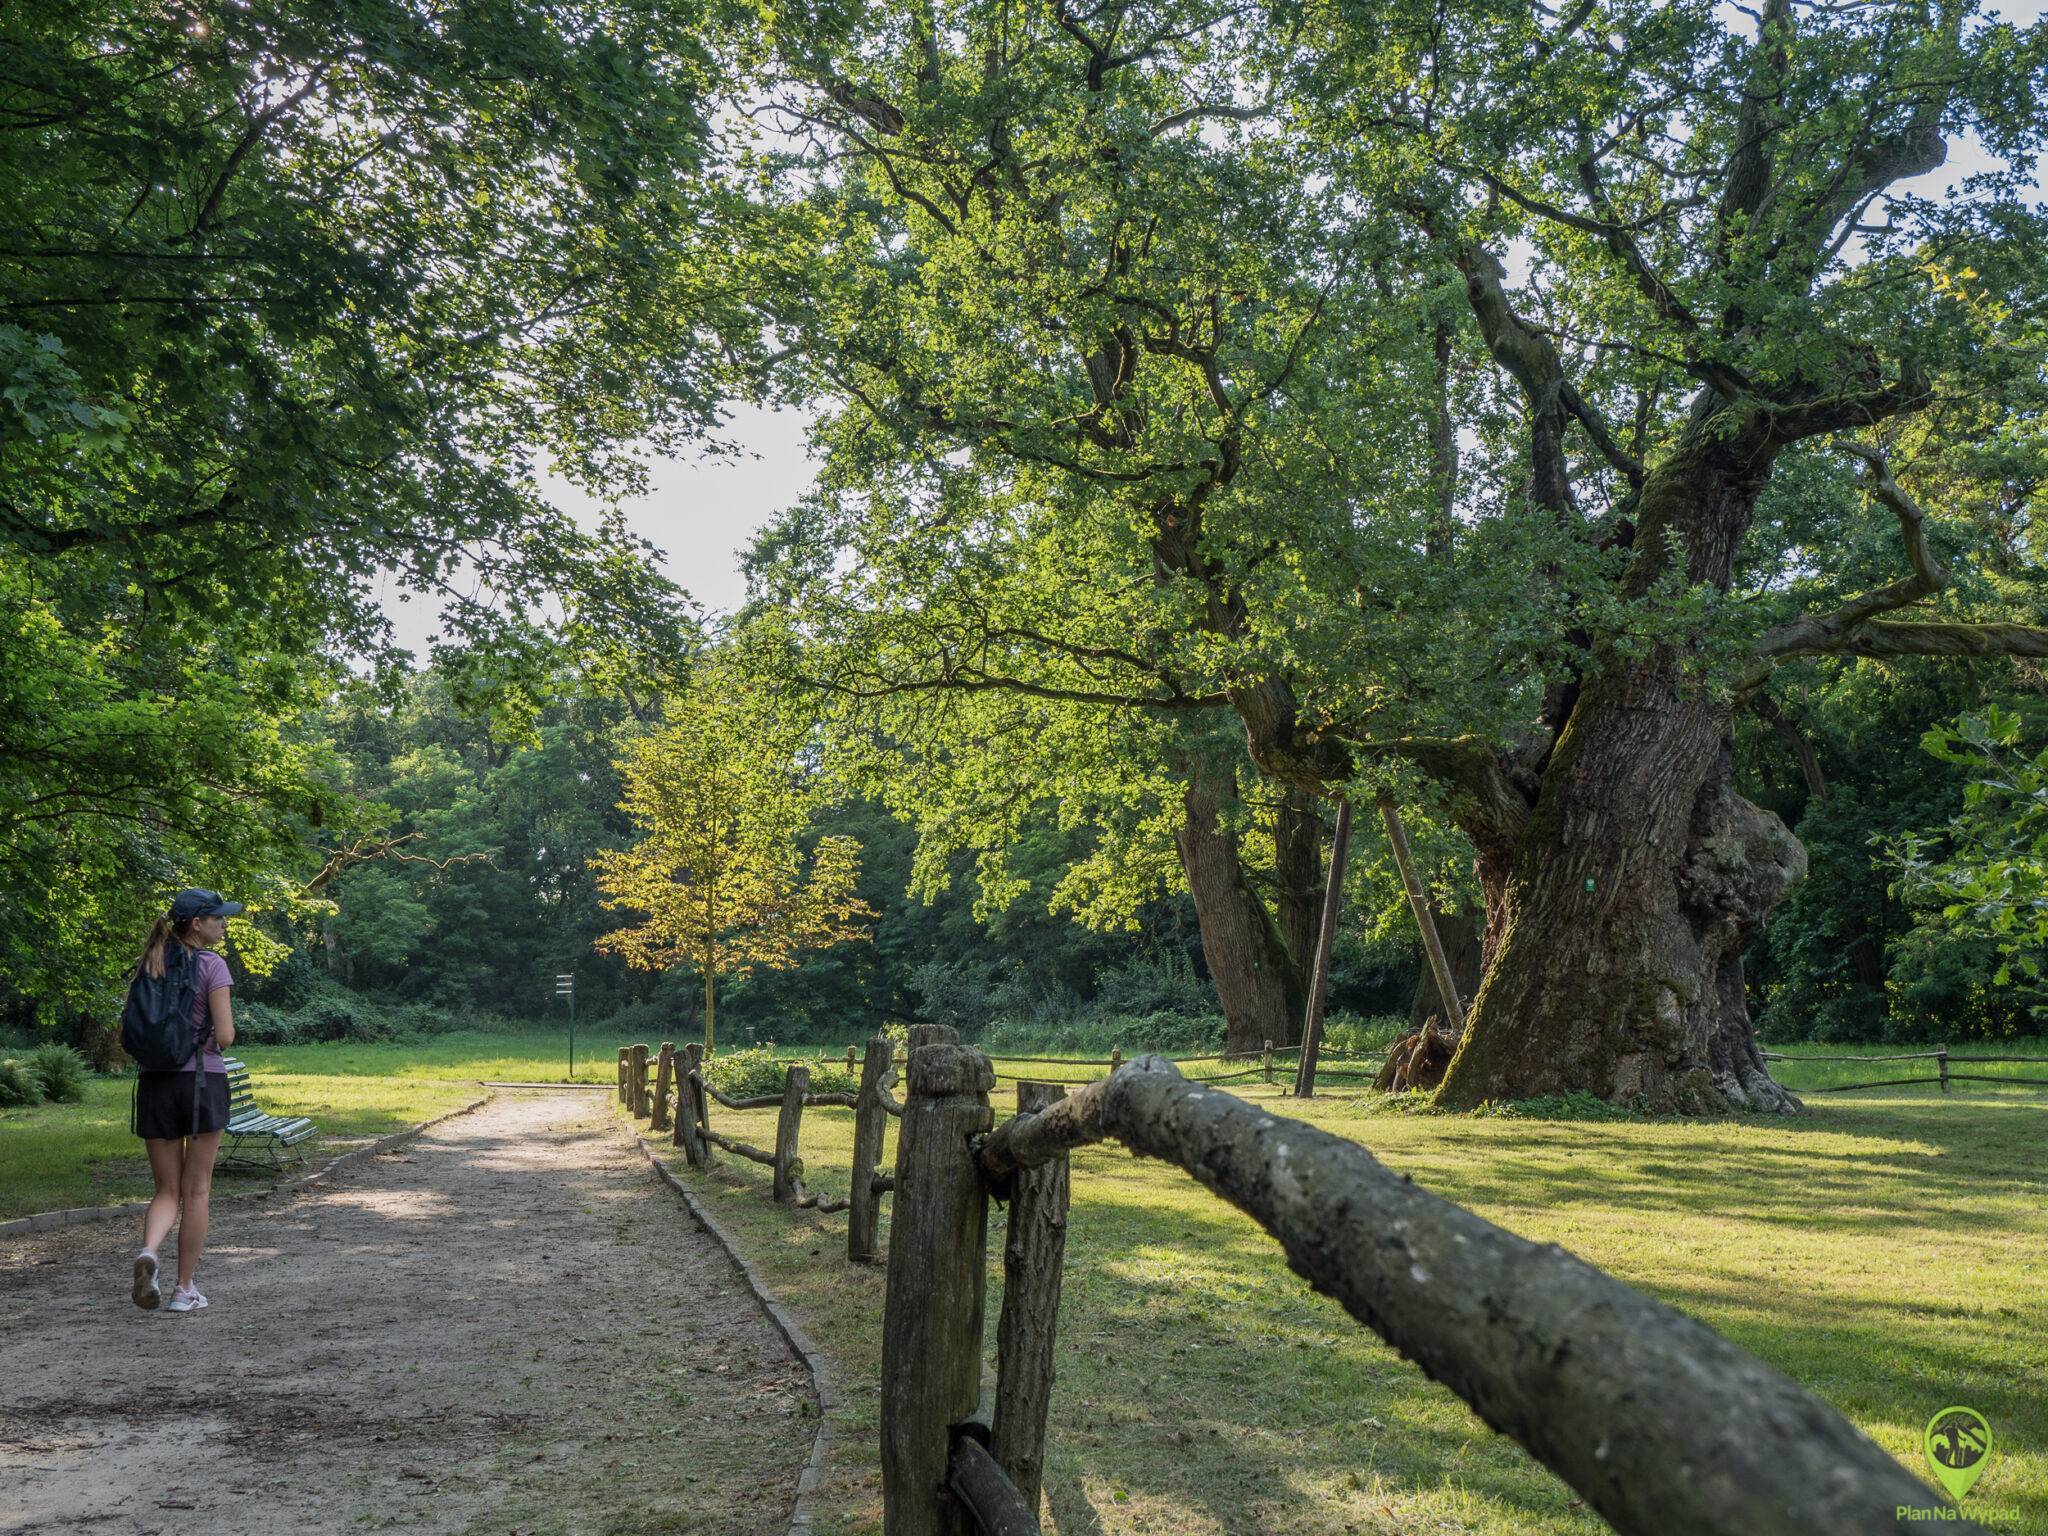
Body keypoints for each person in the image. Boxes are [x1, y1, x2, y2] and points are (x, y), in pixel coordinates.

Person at [129, 888, 241, 1314]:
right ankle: (183, 1289)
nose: (223, 924)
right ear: (197, 924)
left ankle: (150, 1253)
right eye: (217, 918)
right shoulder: (212, 965)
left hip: (155, 1085)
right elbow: (226, 1036)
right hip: (200, 1083)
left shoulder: (150, 961)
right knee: (196, 1192)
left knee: (165, 1190)